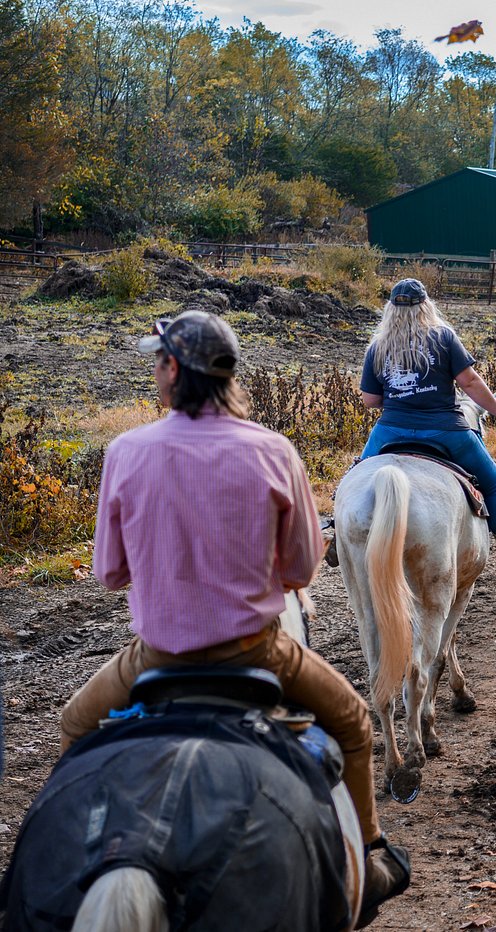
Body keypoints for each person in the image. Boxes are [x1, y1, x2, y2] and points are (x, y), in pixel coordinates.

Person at [59, 309, 411, 920]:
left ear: (171, 370)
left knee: (72, 727)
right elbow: (301, 570)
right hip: (258, 651)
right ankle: (373, 858)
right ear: (228, 376)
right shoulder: (274, 452)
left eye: (157, 362)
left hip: (155, 656)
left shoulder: (126, 451)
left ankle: (69, 852)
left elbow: (110, 574)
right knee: (353, 722)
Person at [359, 278, 496, 578]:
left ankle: (336, 539)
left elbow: (370, 400)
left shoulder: (378, 346)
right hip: (446, 431)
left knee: (354, 479)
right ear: (425, 306)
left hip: (390, 431)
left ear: (390, 310)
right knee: (494, 480)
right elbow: (469, 381)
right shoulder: (443, 337)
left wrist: (402, 398)